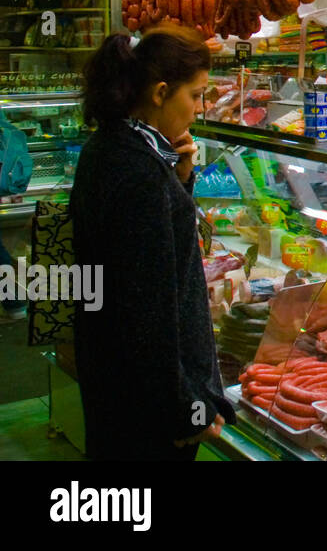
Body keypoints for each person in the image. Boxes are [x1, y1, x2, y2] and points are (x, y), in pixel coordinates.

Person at [72, 27, 235, 460]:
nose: (199, 110)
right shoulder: (137, 173)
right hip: (145, 407)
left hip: (115, 383)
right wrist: (184, 408)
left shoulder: (111, 148)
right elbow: (146, 310)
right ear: (161, 92)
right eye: (196, 96)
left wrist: (179, 179)